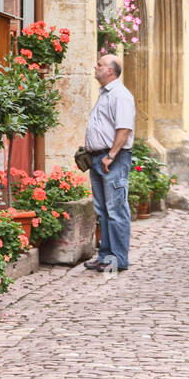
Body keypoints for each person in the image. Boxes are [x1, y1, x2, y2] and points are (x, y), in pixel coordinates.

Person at [83, 54, 136, 272]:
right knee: (103, 210)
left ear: (110, 71)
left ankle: (118, 259)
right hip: (99, 158)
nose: (96, 66)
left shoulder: (120, 95)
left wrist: (111, 155)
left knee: (116, 210)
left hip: (112, 159)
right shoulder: (105, 94)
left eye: (101, 64)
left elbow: (124, 129)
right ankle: (105, 256)